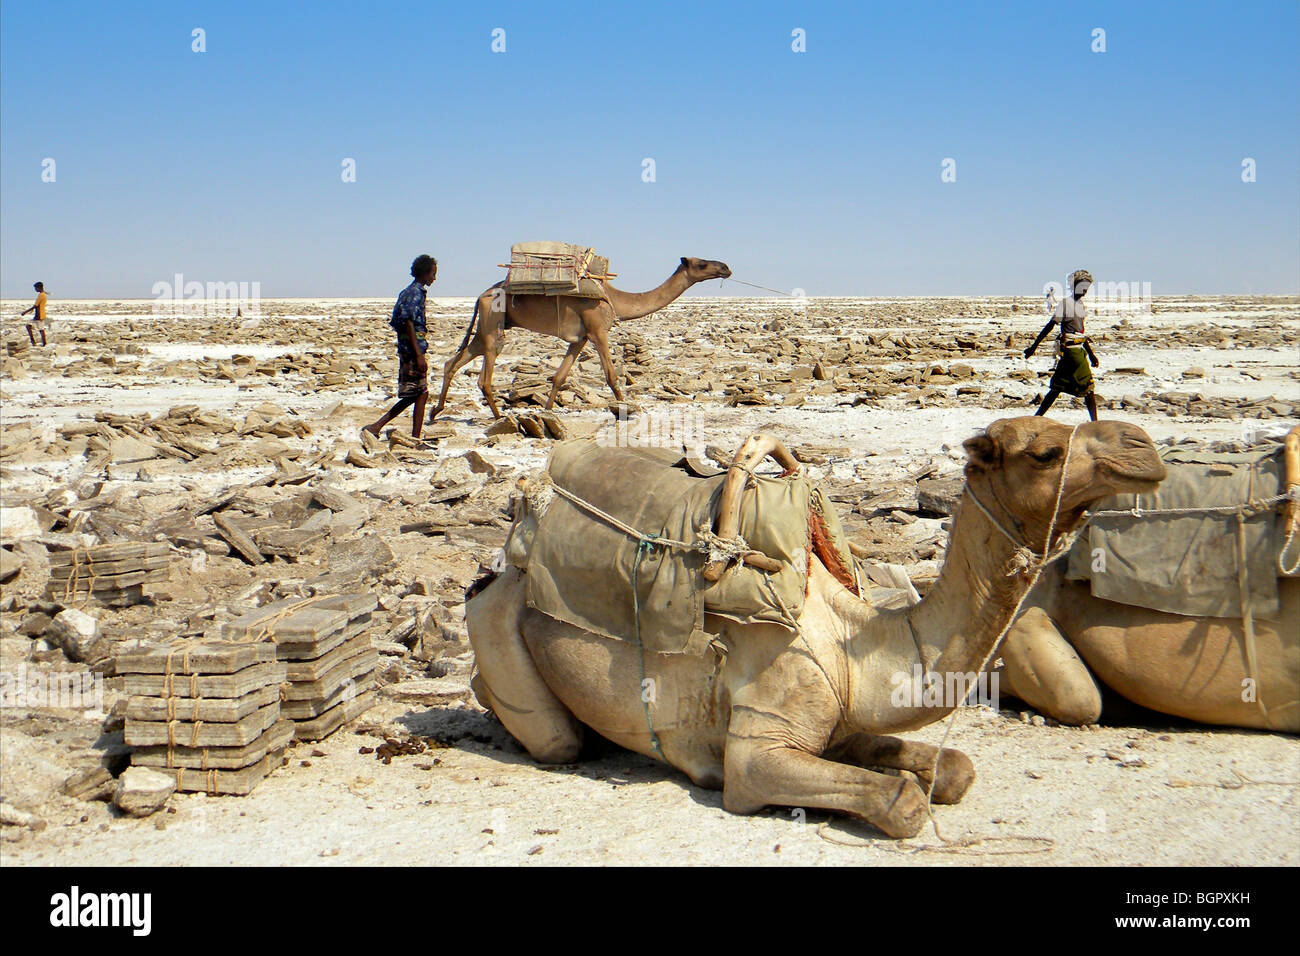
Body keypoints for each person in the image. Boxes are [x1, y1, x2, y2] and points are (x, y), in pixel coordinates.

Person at [363, 255, 437, 442]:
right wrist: (418, 355)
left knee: (420, 393)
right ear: (426, 273)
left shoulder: (407, 292)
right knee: (418, 393)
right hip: (412, 351)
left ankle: (413, 436)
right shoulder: (415, 293)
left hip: (408, 349)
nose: (434, 278)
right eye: (433, 274)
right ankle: (378, 426)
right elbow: (409, 323)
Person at [1024, 268, 1100, 421]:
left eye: (1087, 287)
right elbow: (1050, 325)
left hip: (1077, 350)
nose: (1084, 290)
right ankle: (1095, 424)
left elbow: (1080, 334)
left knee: (1057, 388)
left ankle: (1036, 419)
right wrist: (1034, 346)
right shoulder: (1066, 304)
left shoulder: (1080, 305)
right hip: (1073, 354)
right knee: (1087, 388)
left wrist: (1091, 355)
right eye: (1082, 287)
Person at [20, 281, 49, 347]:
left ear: (39, 287)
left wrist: (25, 312)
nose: (35, 289)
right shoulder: (43, 294)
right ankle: (37, 342)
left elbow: (36, 305)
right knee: (36, 328)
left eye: (36, 288)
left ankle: (39, 343)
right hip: (39, 314)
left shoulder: (41, 295)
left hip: (39, 315)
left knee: (40, 329)